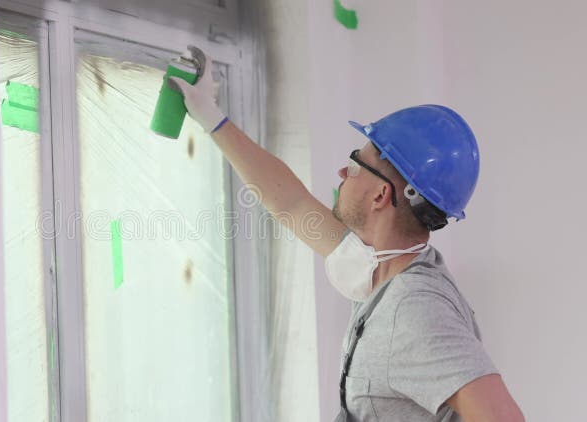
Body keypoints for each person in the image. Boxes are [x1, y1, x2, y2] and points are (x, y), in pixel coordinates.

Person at [168, 46, 525, 421]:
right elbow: (291, 204)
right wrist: (212, 117)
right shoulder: (383, 267)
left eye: (356, 164)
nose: (342, 173)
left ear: (380, 194)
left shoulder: (413, 309)